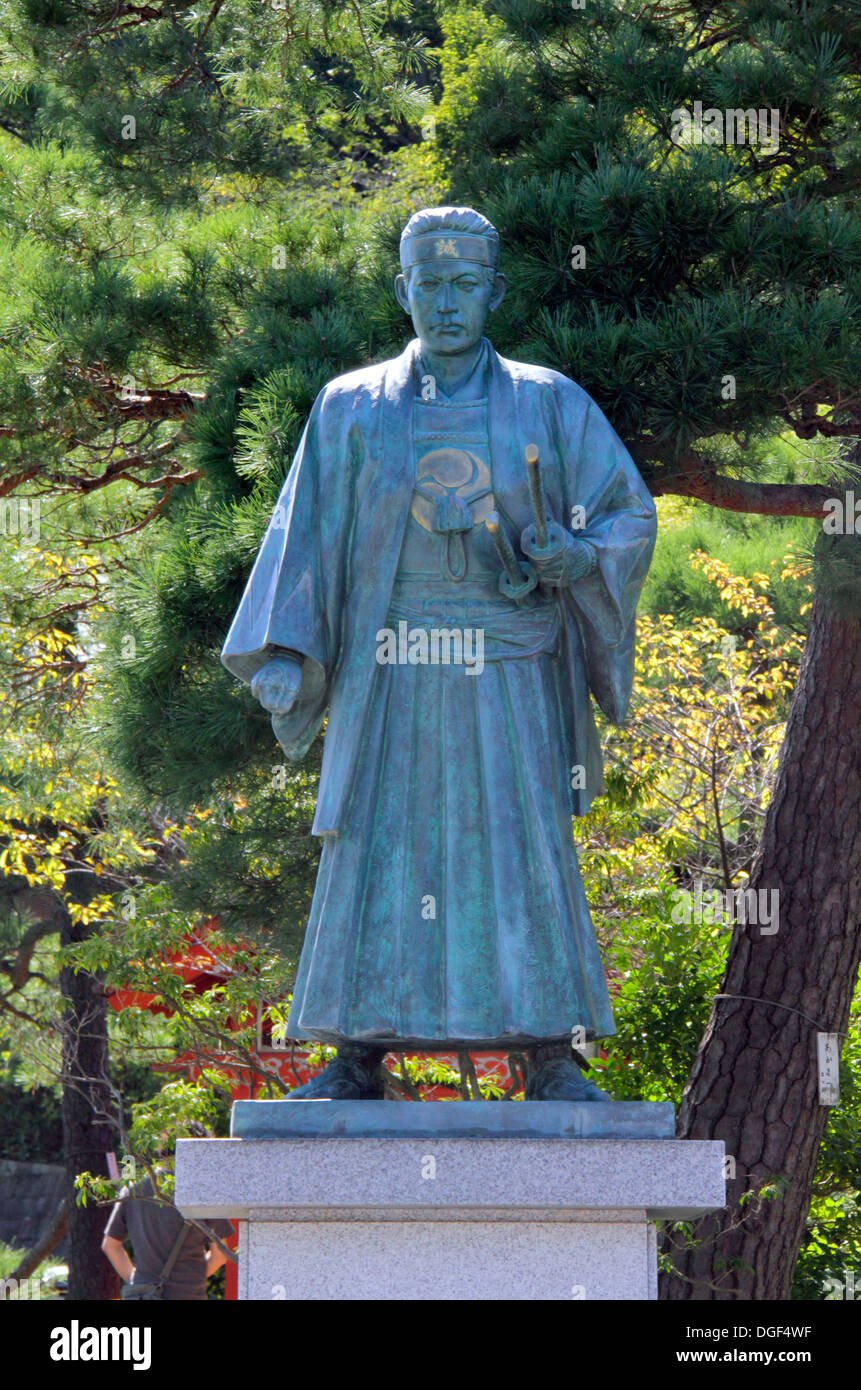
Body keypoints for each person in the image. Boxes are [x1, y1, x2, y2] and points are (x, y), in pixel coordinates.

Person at [221, 205, 657, 1100]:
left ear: (494, 291)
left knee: (520, 844)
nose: (448, 303)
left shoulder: (548, 400)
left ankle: (548, 1052)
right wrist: (285, 652)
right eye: (431, 284)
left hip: (510, 668)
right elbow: (304, 537)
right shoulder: (350, 408)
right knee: (378, 849)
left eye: (466, 285)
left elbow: (626, 514)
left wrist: (576, 555)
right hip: (391, 668)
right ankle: (354, 1053)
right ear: (402, 290)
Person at [102, 1171, 232, 1300]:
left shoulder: (133, 1189)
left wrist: (137, 1279)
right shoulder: (202, 1189)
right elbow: (220, 1255)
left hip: (145, 1295)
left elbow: (110, 1245)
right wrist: (193, 1277)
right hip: (189, 1294)